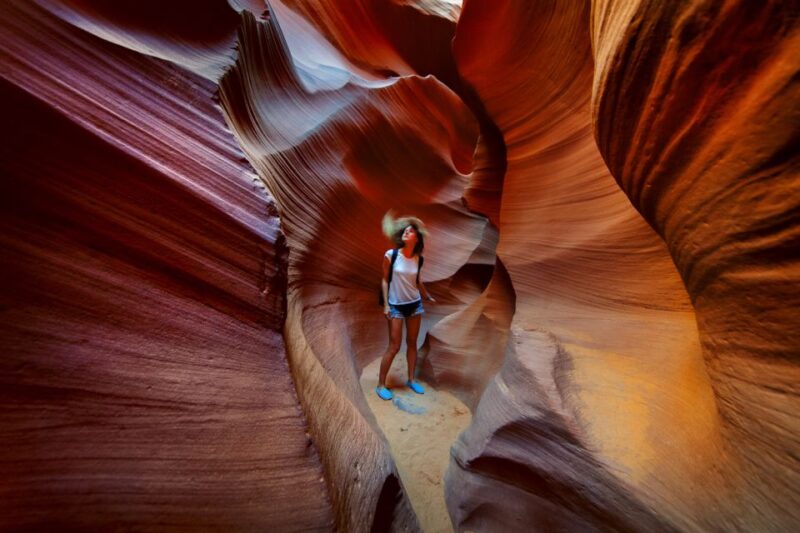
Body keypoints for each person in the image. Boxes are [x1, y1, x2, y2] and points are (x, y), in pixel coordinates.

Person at [376, 213, 435, 401]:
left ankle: (411, 380)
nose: (406, 232)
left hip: (415, 305)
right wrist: (386, 305)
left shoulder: (418, 259)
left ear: (416, 239)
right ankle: (381, 384)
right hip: (396, 306)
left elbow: (417, 280)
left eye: (410, 232)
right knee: (394, 346)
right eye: (406, 230)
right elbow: (385, 281)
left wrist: (426, 295)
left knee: (412, 343)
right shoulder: (391, 255)